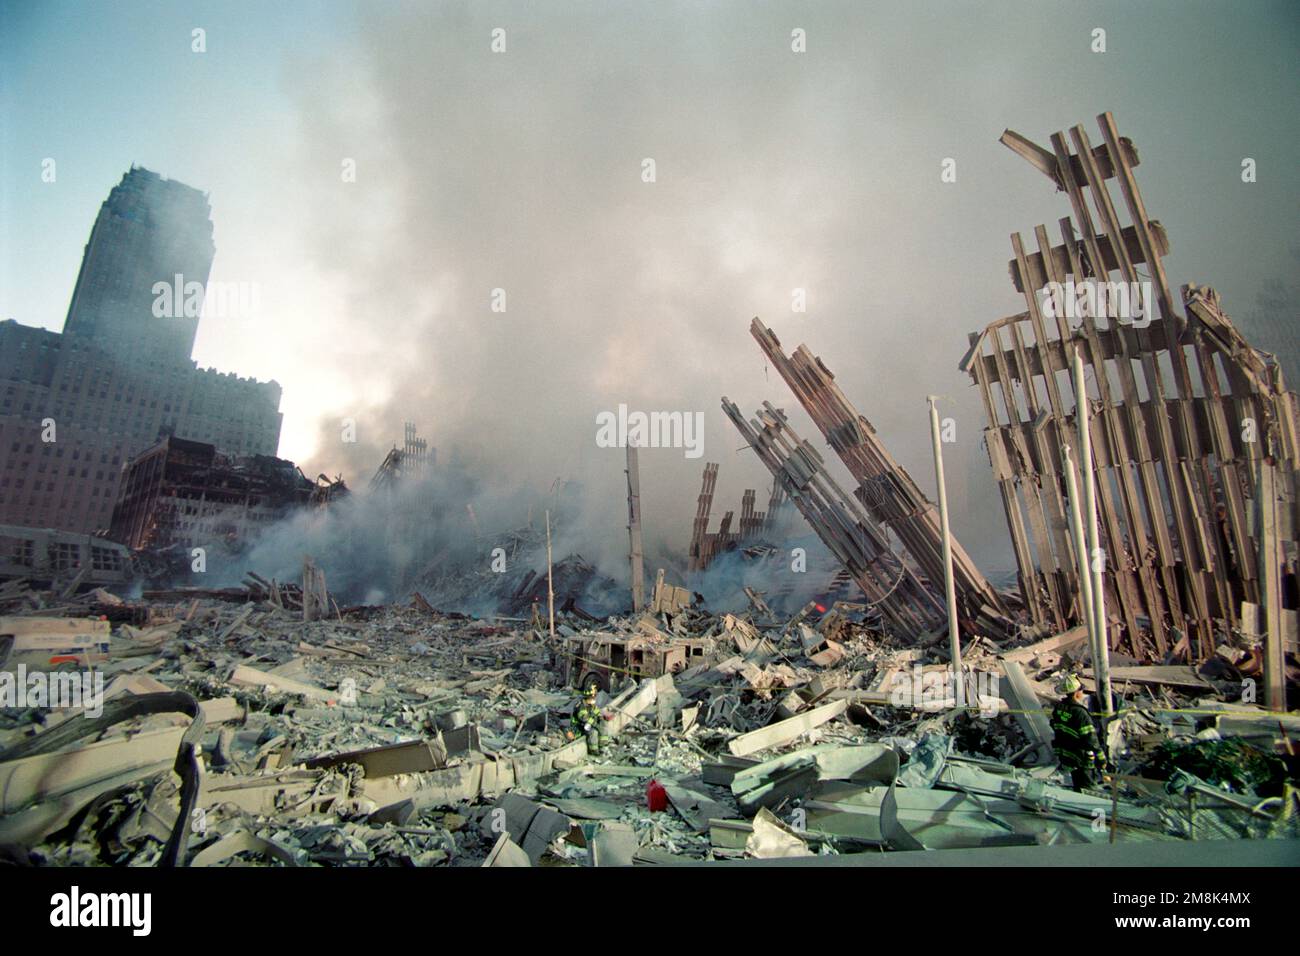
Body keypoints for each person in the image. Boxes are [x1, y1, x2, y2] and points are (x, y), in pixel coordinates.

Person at [1049, 673, 1106, 791]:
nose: (1082, 692)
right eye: (1081, 690)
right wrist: (1102, 759)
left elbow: (1056, 727)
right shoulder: (1080, 713)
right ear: (1076, 692)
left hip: (1067, 755)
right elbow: (1091, 739)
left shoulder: (1059, 708)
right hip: (1082, 758)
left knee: (1077, 784)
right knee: (1087, 788)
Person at [567, 683, 605, 755]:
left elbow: (597, 712)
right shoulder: (581, 705)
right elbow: (584, 718)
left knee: (603, 727)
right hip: (578, 727)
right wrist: (595, 724)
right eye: (593, 697)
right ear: (588, 697)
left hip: (588, 724)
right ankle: (594, 751)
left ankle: (602, 747)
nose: (594, 699)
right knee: (594, 732)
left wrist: (600, 718)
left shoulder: (591, 704)